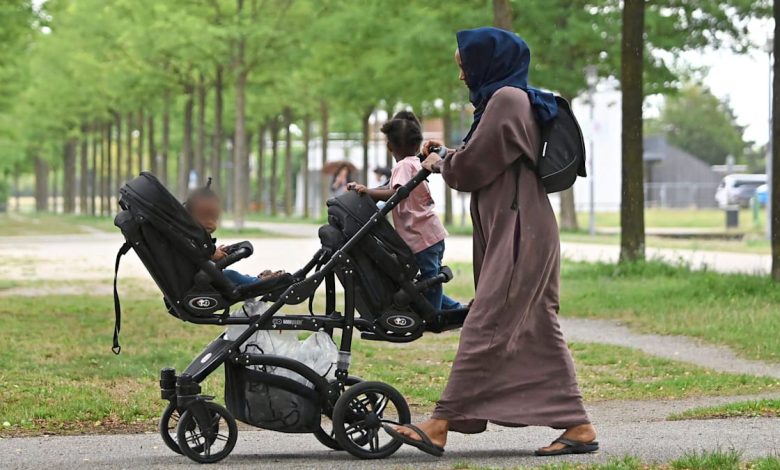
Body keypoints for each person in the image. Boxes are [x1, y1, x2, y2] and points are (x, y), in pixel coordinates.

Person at [384, 27, 598, 457]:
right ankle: (578, 426)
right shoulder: (505, 100)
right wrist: (447, 156)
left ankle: (441, 422)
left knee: (486, 320)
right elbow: (478, 156)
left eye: (465, 66)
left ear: (487, 61)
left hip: (519, 231)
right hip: (521, 227)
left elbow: (470, 170)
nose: (463, 76)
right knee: (536, 325)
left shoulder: (504, 101)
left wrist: (445, 162)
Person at [347, 111, 461, 311]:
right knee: (429, 279)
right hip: (430, 235)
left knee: (430, 280)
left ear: (390, 146)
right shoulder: (416, 163)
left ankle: (433, 313)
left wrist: (367, 192)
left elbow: (397, 193)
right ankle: (457, 309)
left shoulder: (402, 166)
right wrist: (369, 190)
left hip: (421, 237)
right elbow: (391, 189)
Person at [186, 180, 283, 286]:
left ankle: (254, 279)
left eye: (214, 217)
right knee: (231, 275)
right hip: (200, 280)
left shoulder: (191, 236)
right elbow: (196, 257)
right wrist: (212, 255)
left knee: (235, 276)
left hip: (203, 275)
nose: (211, 221)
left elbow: (197, 253)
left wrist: (214, 252)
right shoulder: (191, 237)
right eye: (205, 216)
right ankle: (260, 282)